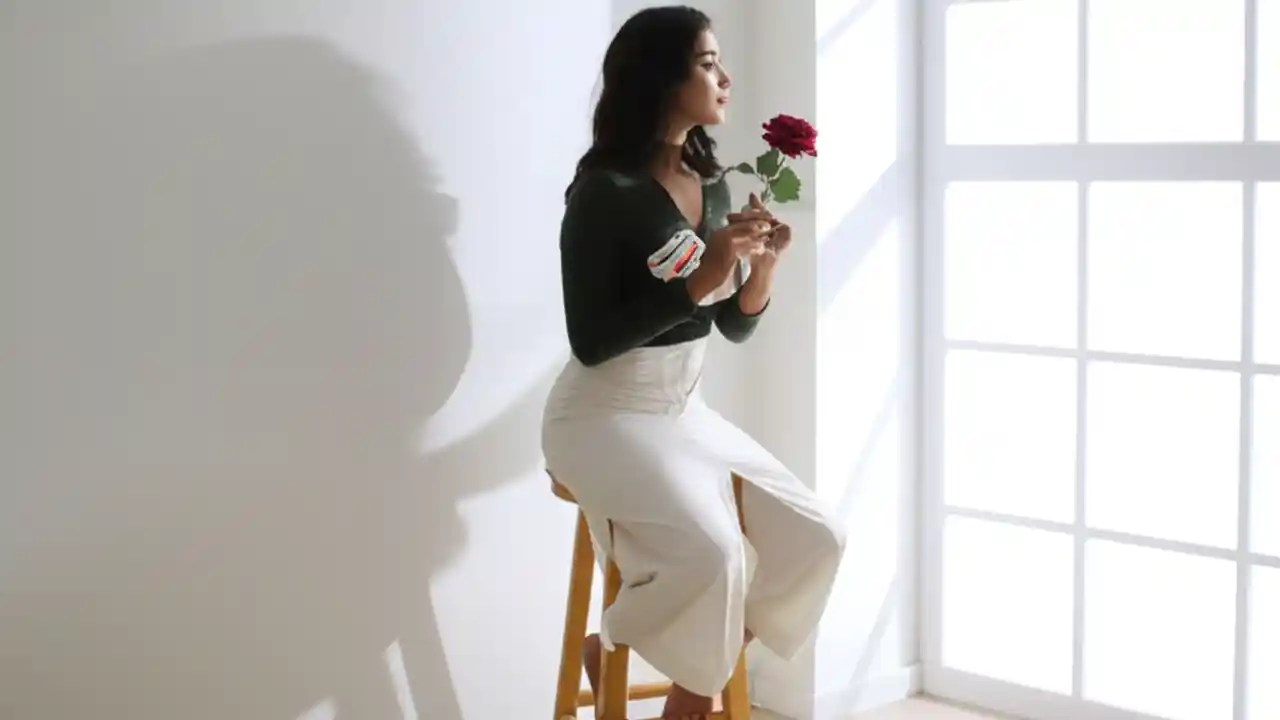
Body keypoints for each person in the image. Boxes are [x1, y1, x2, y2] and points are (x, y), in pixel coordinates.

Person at [541, 6, 846, 718]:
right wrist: (702, 279)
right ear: (661, 77)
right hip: (601, 414)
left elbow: (726, 327)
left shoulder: (709, 181)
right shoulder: (602, 196)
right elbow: (591, 340)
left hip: (682, 409)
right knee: (716, 558)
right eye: (708, 63)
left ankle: (668, 679)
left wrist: (758, 274)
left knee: (816, 537)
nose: (725, 76)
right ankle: (660, 677)